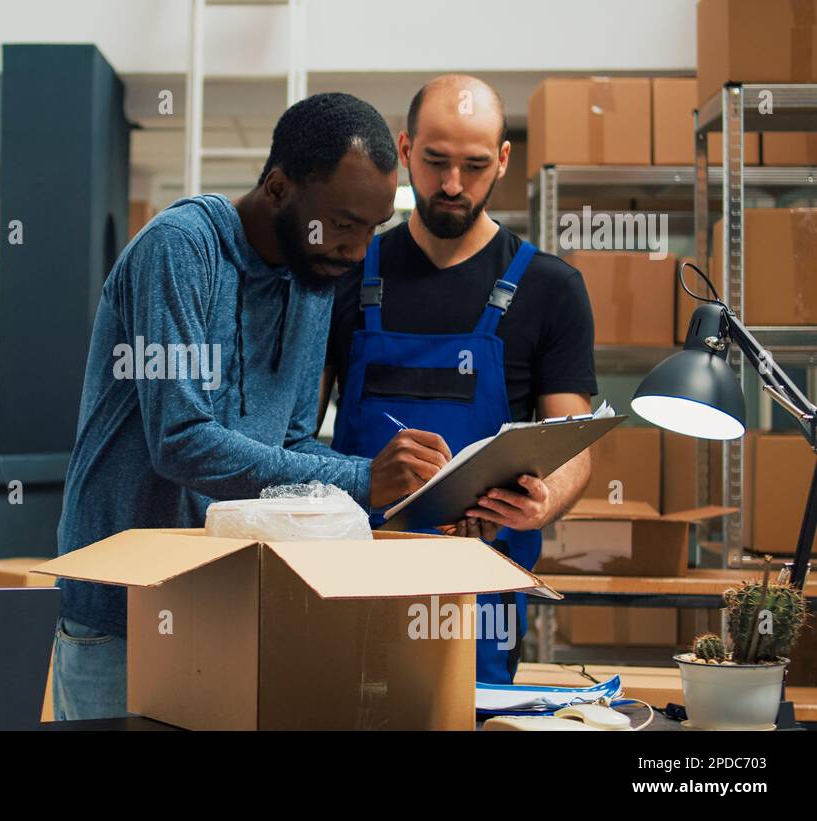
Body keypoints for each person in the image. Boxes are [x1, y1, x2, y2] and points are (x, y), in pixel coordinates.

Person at [54, 92, 453, 720]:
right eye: (345, 223)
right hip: (123, 613)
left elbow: (291, 443)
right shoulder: (180, 249)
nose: (356, 251)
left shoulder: (314, 277)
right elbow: (180, 439)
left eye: (374, 228)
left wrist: (405, 494)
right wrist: (360, 479)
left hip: (231, 606)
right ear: (277, 187)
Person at [323, 75, 597, 683]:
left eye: (473, 166)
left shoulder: (550, 289)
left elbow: (571, 438)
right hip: (352, 575)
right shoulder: (344, 275)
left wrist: (545, 499)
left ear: (502, 160)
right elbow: (291, 434)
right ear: (403, 150)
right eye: (435, 161)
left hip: (480, 586)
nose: (452, 185)